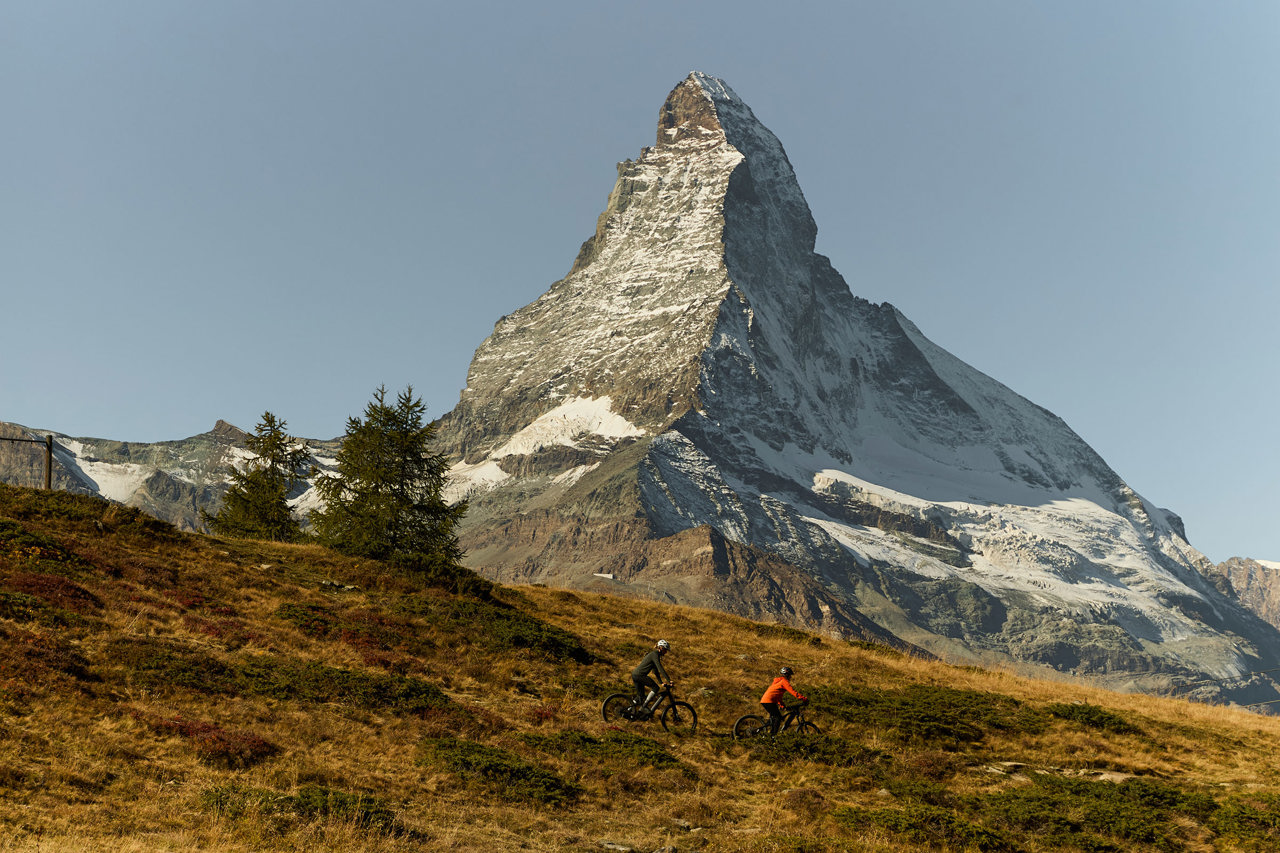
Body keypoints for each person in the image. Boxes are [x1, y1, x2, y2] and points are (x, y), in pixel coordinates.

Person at [760, 666, 806, 736]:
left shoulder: (779, 682)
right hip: (769, 701)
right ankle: (772, 736)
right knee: (777, 717)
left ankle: (767, 732)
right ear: (787, 675)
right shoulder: (784, 682)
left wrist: (781, 704)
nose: (790, 677)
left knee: (774, 718)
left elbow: (777, 695)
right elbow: (793, 692)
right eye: (790, 675)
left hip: (767, 700)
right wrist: (803, 698)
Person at [630, 639, 672, 715]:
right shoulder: (655, 655)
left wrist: (661, 682)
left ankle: (630, 710)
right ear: (661, 648)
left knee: (640, 696)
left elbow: (655, 671)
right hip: (640, 675)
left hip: (635, 674)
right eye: (665, 650)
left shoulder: (654, 655)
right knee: (656, 688)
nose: (666, 652)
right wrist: (669, 680)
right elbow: (660, 668)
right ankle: (644, 707)